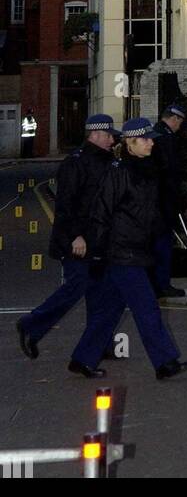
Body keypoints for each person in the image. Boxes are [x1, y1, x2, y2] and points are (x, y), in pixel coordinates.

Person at [68, 117, 187, 380]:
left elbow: (146, 214)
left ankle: (82, 358)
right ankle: (165, 362)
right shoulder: (120, 172)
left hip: (134, 250)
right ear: (130, 144)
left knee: (109, 311)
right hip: (121, 251)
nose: (150, 143)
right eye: (144, 140)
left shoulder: (146, 170)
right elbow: (101, 212)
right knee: (147, 307)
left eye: (151, 139)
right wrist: (97, 252)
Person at [16, 114, 120, 360]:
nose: (111, 140)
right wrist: (76, 236)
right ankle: (31, 323)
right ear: (94, 135)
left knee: (99, 293)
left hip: (99, 240)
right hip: (76, 241)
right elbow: (65, 205)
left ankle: (97, 345)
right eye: (108, 136)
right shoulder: (75, 163)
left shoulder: (107, 161)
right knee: (76, 286)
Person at [150, 103, 187, 298]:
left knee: (159, 244)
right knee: (162, 245)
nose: (180, 127)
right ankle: (162, 284)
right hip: (163, 202)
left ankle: (158, 283)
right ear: (174, 119)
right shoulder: (166, 138)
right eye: (180, 123)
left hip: (158, 201)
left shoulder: (157, 134)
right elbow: (170, 173)